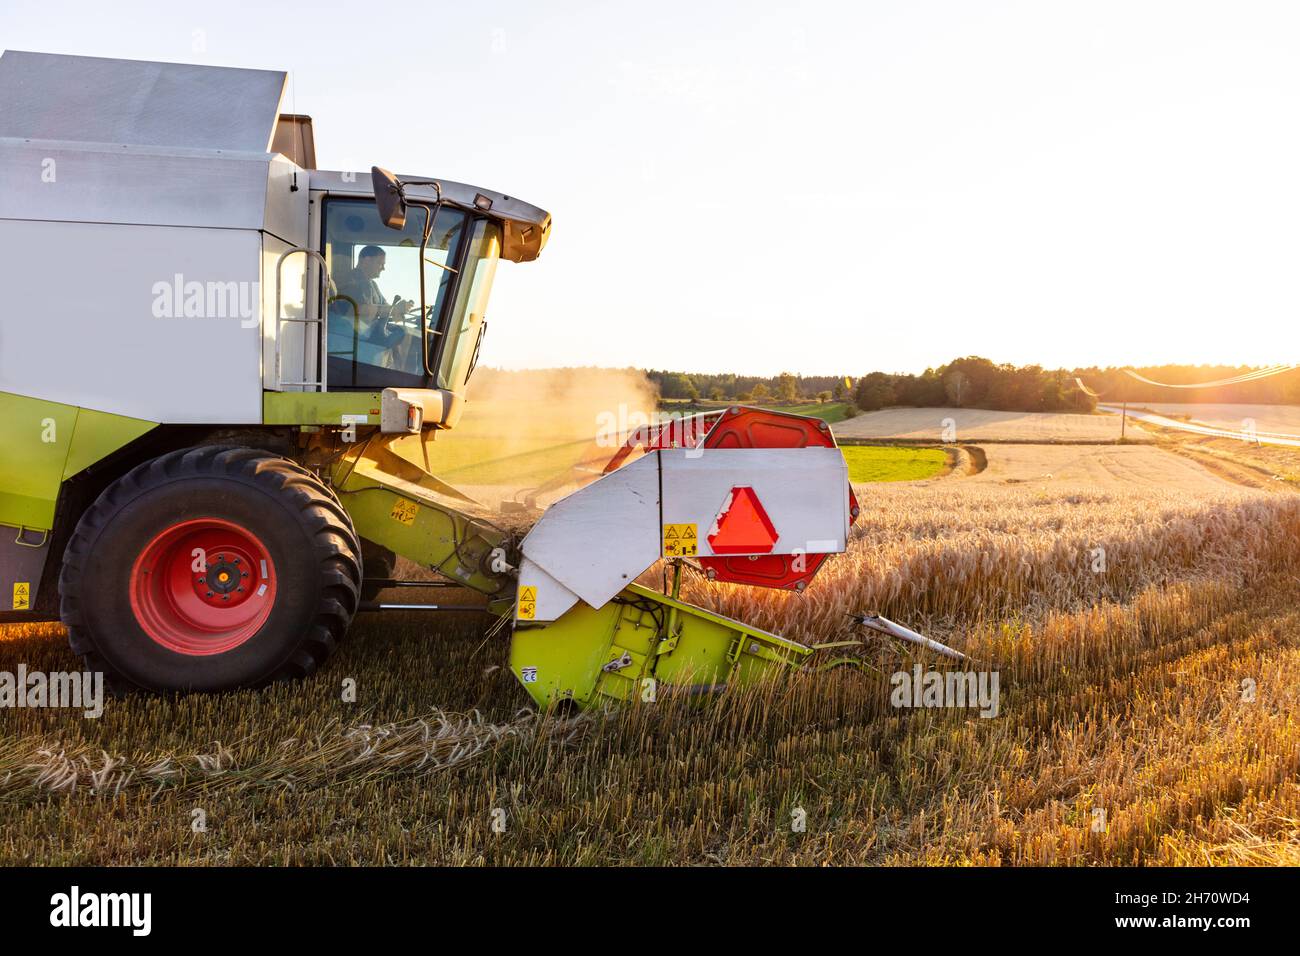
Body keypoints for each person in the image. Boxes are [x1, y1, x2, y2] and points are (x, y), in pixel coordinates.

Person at [335, 245, 416, 368]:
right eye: (380, 263)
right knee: (405, 334)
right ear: (367, 260)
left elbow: (387, 309)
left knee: (411, 333)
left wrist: (401, 308)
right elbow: (360, 310)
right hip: (356, 333)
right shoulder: (349, 280)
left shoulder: (373, 285)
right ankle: (402, 374)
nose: (383, 268)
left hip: (368, 331)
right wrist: (393, 309)